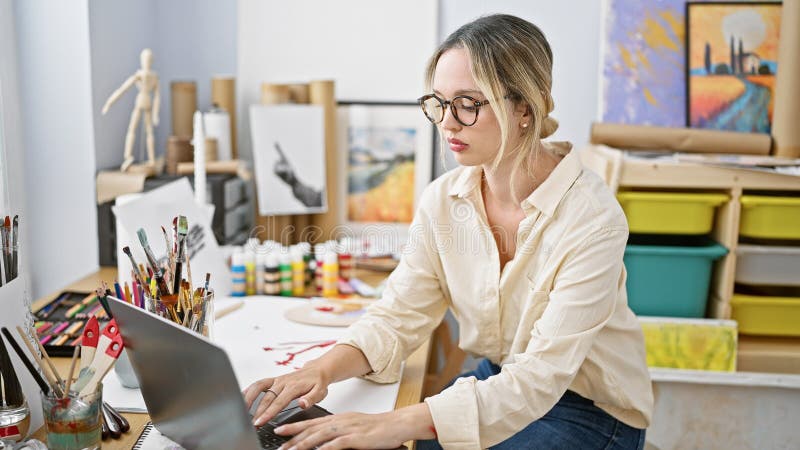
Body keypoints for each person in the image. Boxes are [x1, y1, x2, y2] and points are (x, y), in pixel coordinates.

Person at [243, 14, 654, 450]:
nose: (447, 123)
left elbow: (541, 377)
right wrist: (319, 371)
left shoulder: (591, 218)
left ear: (526, 108)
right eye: (439, 102)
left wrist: (391, 424)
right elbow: (399, 315)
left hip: (591, 412)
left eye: (468, 104)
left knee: (396, 436)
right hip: (502, 378)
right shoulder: (444, 200)